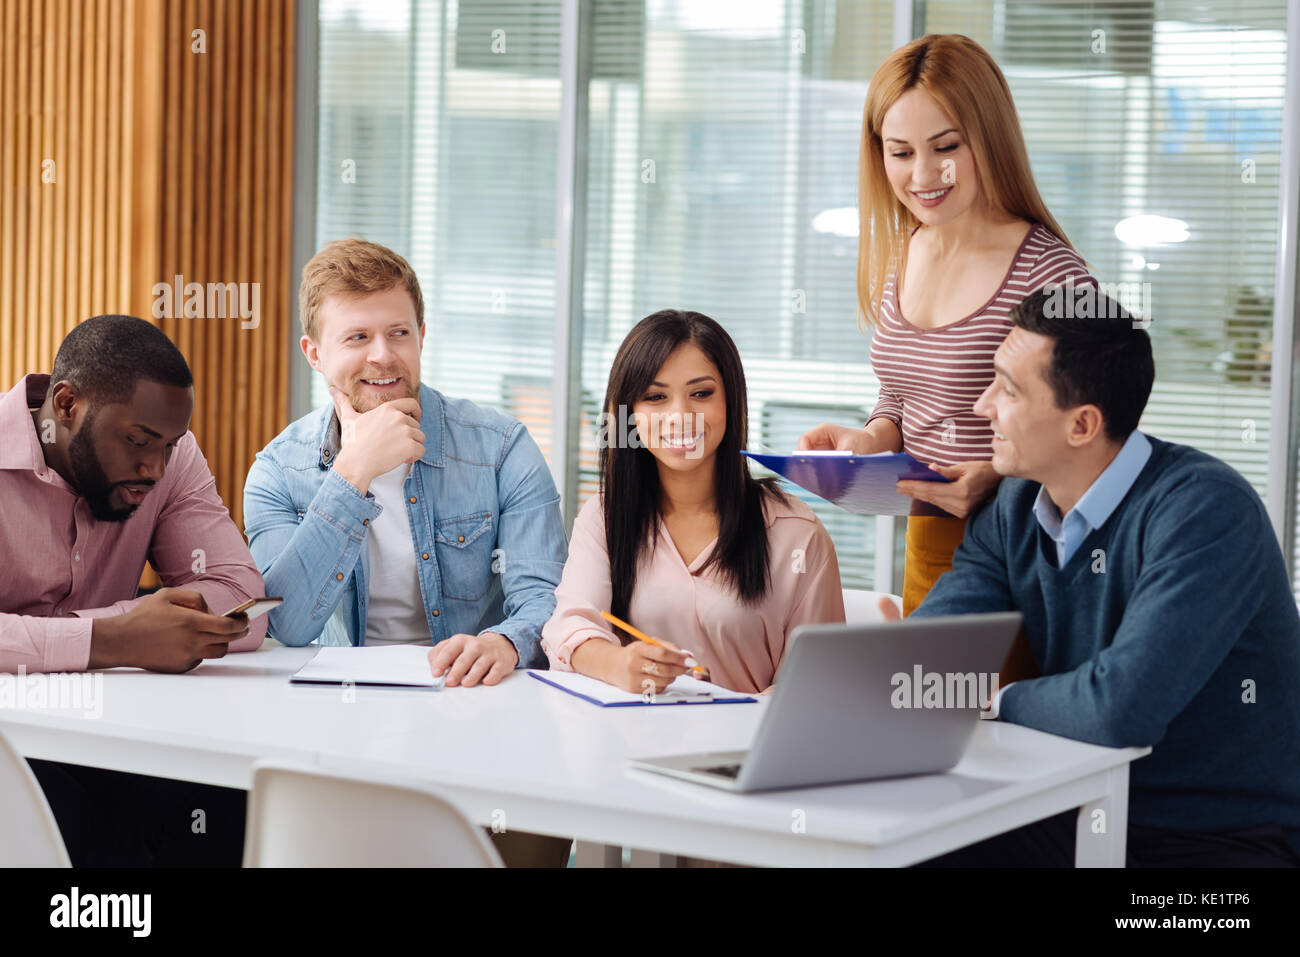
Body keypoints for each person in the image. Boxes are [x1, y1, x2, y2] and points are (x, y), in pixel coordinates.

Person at [895, 287, 1300, 867]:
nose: (984, 406)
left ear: (1082, 425)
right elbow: (933, 658)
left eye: (1007, 390)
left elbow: (1119, 707)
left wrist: (996, 699)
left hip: (1222, 841)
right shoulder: (1011, 507)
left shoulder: (1205, 511)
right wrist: (885, 666)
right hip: (1074, 809)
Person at [244, 239, 571, 866]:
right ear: (314, 352)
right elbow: (288, 621)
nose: (383, 355)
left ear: (423, 334)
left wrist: (505, 641)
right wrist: (353, 474)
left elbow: (544, 596)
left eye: (398, 332)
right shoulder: (278, 472)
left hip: (486, 725)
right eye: (357, 337)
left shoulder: (502, 448)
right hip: (342, 735)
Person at [798, 34, 1094, 617]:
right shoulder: (906, 252)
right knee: (929, 704)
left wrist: (995, 476)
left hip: (1023, 554)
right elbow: (902, 396)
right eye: (900, 152)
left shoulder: (1052, 274)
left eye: (946, 146)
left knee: (1001, 708)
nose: (923, 174)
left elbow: (1094, 436)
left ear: (988, 137)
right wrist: (872, 441)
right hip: (928, 543)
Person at [1, 314, 268, 865]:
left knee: (236, 812)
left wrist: (128, 628)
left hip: (116, 738)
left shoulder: (170, 457)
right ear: (68, 406)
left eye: (169, 446)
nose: (155, 467)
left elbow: (239, 596)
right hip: (12, 748)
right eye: (139, 441)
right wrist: (114, 638)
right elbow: (122, 639)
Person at [541, 309, 845, 697]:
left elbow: (817, 685)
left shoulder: (797, 534)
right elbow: (568, 628)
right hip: (630, 743)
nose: (680, 416)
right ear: (628, 414)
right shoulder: (603, 516)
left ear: (731, 402)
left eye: (701, 394)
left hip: (747, 748)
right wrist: (617, 663)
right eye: (655, 397)